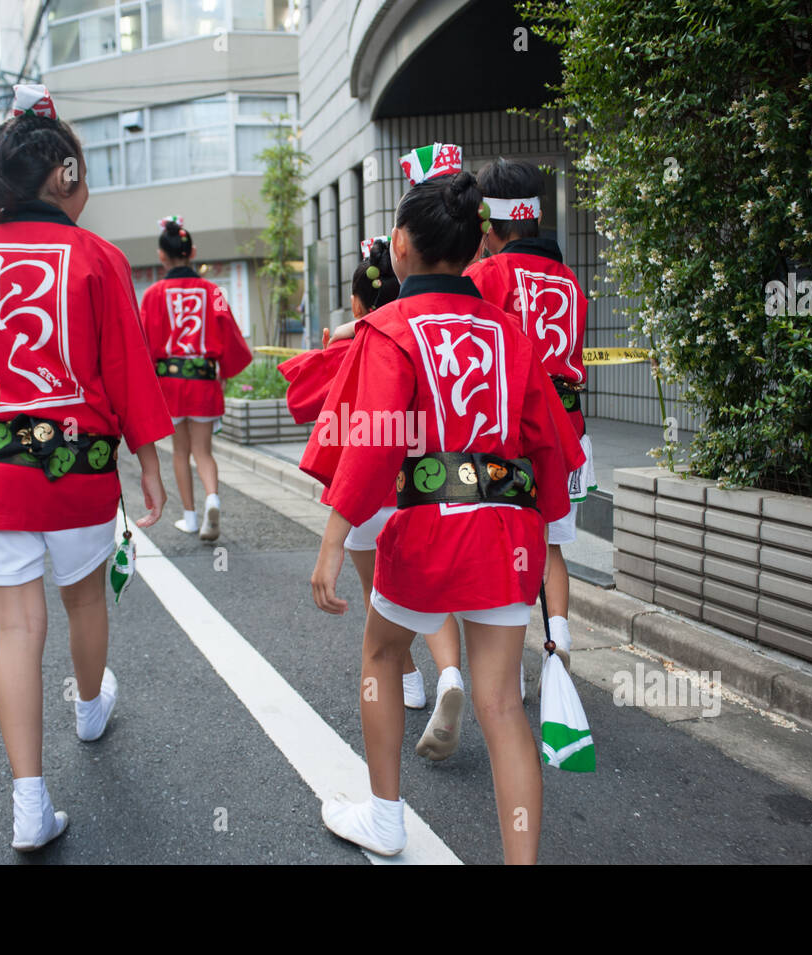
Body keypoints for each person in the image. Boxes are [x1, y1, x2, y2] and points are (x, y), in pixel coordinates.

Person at [303, 147, 583, 863]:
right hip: (506, 534)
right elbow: (546, 443)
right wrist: (546, 528)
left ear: (400, 246)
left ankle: (386, 816)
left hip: (428, 530)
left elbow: (369, 445)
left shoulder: (388, 329)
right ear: (472, 248)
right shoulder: (509, 331)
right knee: (501, 704)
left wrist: (335, 537)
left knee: (380, 650)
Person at [0, 84, 173, 852]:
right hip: (78, 473)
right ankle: (87, 707)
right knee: (83, 604)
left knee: (15, 629)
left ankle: (29, 804)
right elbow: (130, 372)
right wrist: (149, 460)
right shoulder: (98, 257)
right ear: (66, 177)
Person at [280, 237, 468, 760]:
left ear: (359, 305)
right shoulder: (433, 341)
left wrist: (332, 343)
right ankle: (451, 674)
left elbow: (302, 400)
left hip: (362, 502)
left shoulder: (358, 344)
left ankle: (407, 680)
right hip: (426, 492)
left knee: (379, 595)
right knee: (433, 596)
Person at [466, 158, 591, 669]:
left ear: (487, 224)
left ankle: (509, 670)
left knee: (507, 548)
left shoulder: (485, 275)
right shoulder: (568, 281)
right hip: (569, 430)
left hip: (513, 430)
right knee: (553, 546)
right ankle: (558, 637)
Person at [139, 216, 252, 541]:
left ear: (162, 255)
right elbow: (229, 333)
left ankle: (189, 517)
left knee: (179, 451)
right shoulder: (212, 291)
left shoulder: (153, 295)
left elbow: (144, 342)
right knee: (204, 451)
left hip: (170, 382)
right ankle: (212, 499)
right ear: (193, 252)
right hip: (204, 379)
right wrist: (224, 372)